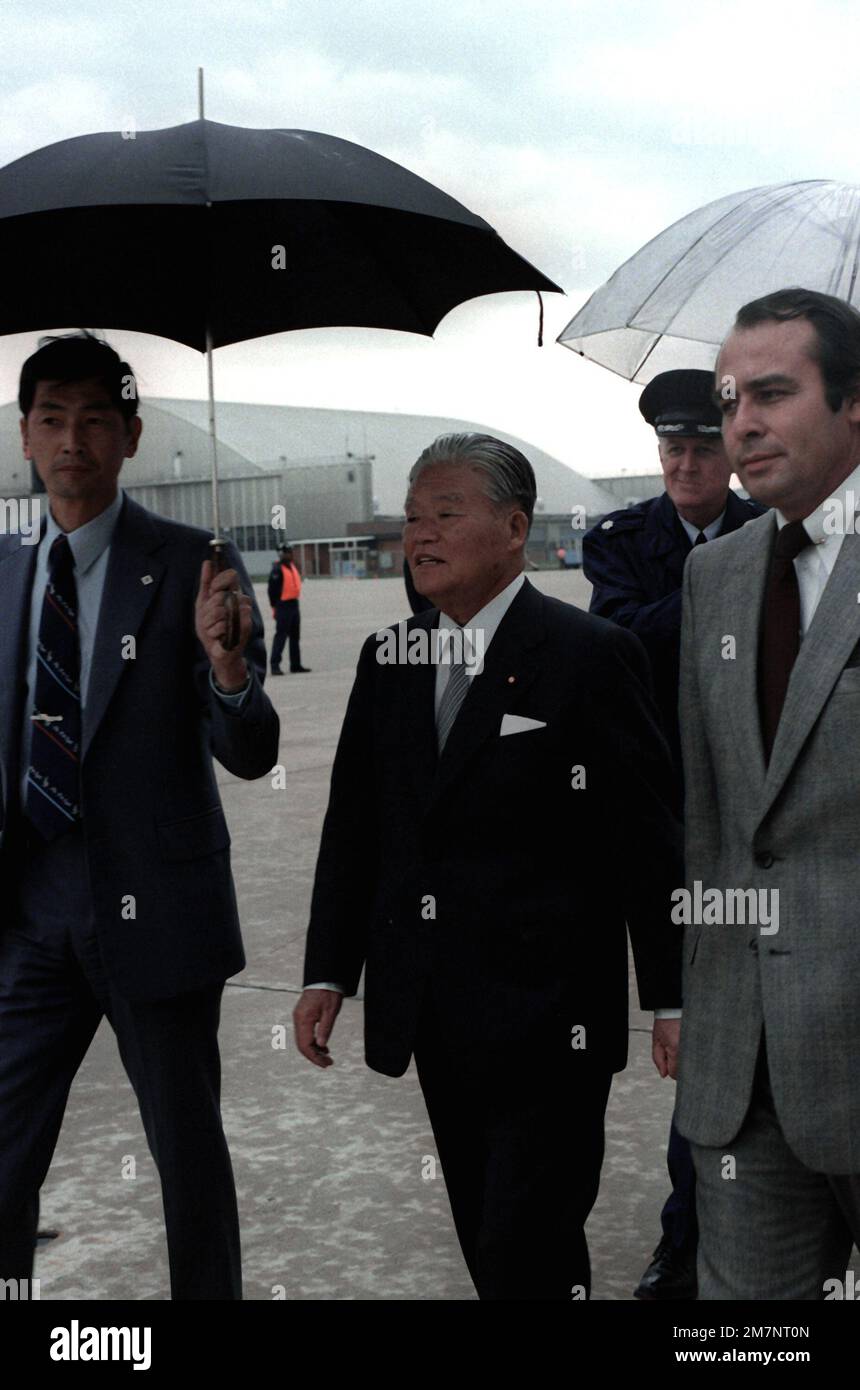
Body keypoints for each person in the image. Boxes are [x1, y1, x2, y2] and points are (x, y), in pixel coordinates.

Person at [293, 432, 683, 1300]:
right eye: (410, 517)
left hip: (549, 1021)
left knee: (528, 1241)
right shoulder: (389, 658)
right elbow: (354, 828)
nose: (419, 535)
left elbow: (646, 843)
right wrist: (329, 970)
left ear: (514, 527)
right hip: (432, 1010)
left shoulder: (589, 655)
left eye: (445, 512)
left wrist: (671, 995)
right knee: (485, 1232)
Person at [0, 331, 280, 1300]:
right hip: (27, 914)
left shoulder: (193, 565)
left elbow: (252, 750)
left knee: (186, 1159)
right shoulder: (2, 570)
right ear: (26, 435)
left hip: (153, 907)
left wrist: (230, 667)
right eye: (51, 418)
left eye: (94, 419)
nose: (71, 437)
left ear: (130, 435)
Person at [676, 288, 860, 1299]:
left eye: (773, 393)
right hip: (741, 1071)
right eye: (730, 397)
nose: (739, 422)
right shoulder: (715, 575)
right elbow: (709, 820)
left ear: (852, 404)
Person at [583, 371, 764, 1301]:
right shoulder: (621, 541)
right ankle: (684, 1239)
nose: (688, 463)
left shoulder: (786, 527)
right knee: (699, 1036)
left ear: (732, 451)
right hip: (667, 821)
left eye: (704, 447)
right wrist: (734, 592)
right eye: (673, 450)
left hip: (764, 813)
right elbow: (620, 641)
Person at [268, 544, 310, 674]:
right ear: (282, 554)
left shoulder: (292, 566)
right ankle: (275, 665)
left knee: (295, 637)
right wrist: (274, 607)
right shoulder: (277, 569)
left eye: (290, 552)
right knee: (281, 636)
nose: (290, 555)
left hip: (293, 604)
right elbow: (272, 590)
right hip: (283, 606)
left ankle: (295, 665)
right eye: (287, 553)